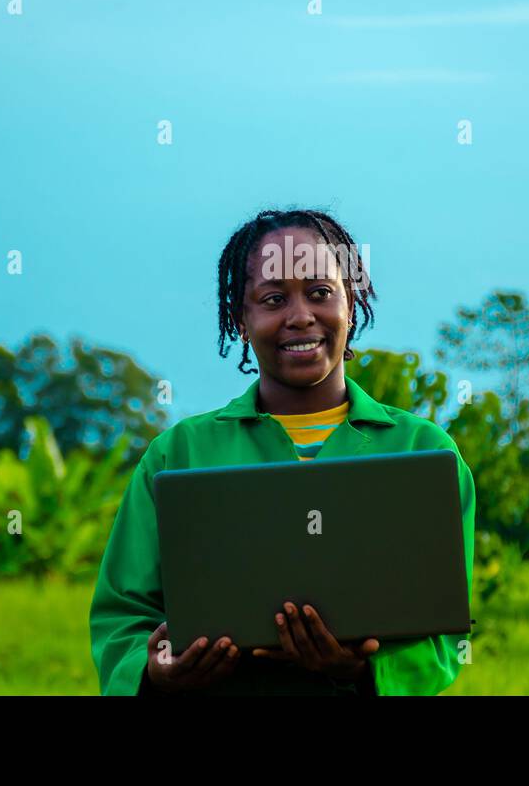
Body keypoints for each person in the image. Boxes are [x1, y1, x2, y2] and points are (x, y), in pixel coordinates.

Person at [88, 208, 476, 695]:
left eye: (320, 293)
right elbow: (122, 616)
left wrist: (358, 670)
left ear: (351, 303)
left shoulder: (423, 453)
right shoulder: (178, 454)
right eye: (273, 299)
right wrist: (154, 673)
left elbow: (443, 635)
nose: (300, 316)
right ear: (240, 318)